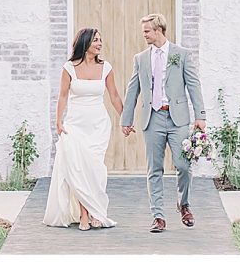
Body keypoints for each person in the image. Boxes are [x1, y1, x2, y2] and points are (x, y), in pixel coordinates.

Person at [121, 13, 207, 233]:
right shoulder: (140, 58)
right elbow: (133, 90)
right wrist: (126, 120)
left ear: (158, 30)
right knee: (154, 169)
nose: (144, 35)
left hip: (177, 118)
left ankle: (183, 203)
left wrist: (201, 116)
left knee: (184, 166)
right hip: (152, 118)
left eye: (147, 31)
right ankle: (158, 216)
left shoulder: (182, 54)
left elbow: (194, 85)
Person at [43, 27, 124, 230]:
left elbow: (114, 96)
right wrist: (58, 121)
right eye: (95, 40)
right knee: (78, 169)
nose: (99, 43)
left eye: (100, 40)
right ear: (85, 43)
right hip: (75, 124)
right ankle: (84, 215)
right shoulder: (69, 68)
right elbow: (62, 96)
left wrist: (126, 119)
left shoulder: (106, 68)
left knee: (95, 170)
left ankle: (96, 212)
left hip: (98, 125)